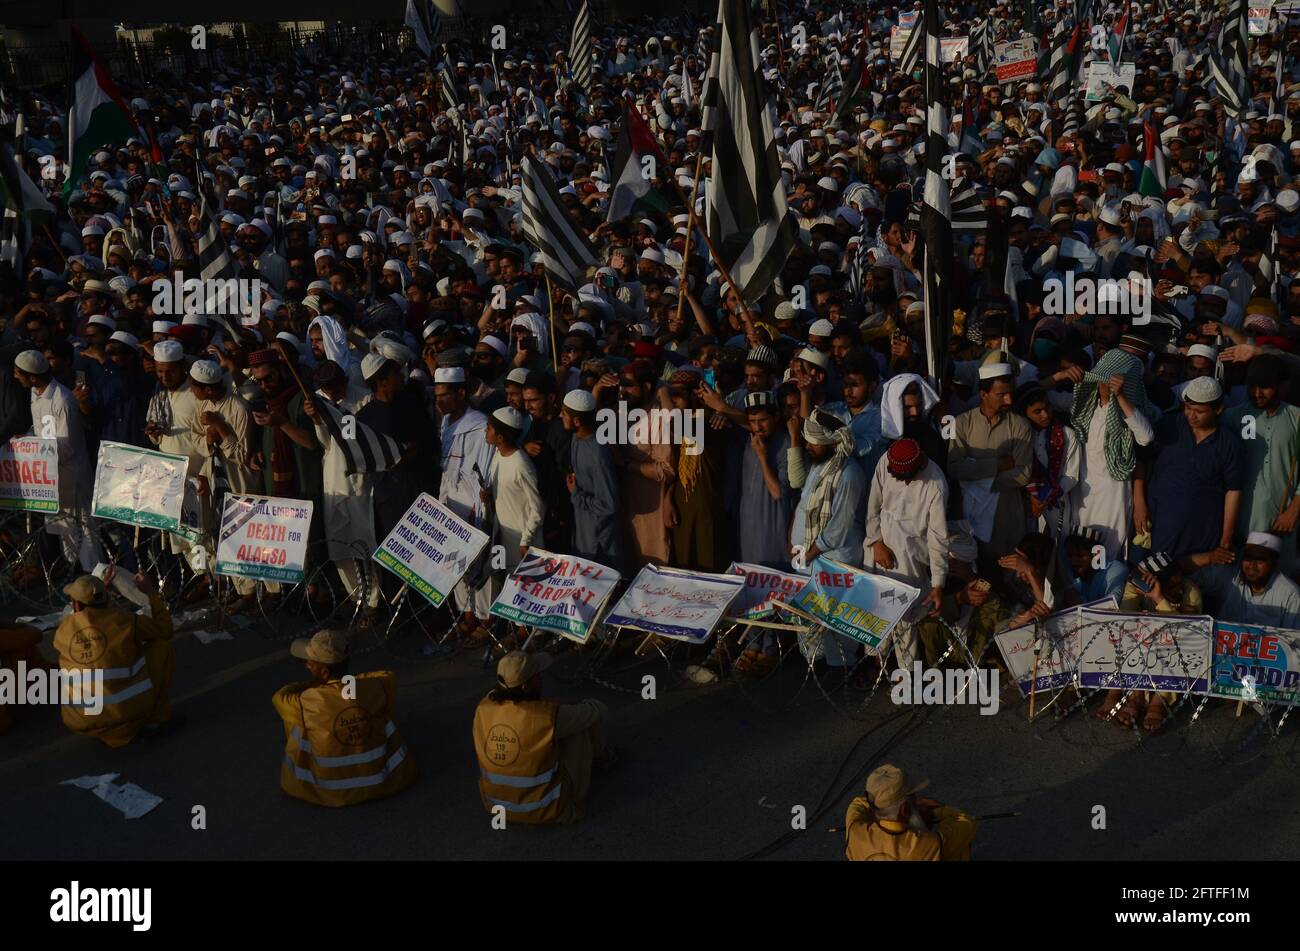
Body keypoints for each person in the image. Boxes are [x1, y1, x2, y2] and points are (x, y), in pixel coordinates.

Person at [273, 629, 418, 807]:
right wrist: (349, 683)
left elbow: (280, 696)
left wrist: (317, 685)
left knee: (296, 721)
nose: (307, 666)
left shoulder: (307, 700)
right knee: (379, 710)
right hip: (384, 781)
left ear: (325, 672)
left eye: (310, 663)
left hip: (328, 790)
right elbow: (388, 676)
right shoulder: (373, 687)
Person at [472, 650, 611, 824]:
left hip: (495, 805)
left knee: (552, 734)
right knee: (579, 729)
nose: (541, 678)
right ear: (526, 686)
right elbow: (598, 711)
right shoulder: (547, 717)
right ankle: (605, 759)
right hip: (548, 809)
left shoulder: (483, 709)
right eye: (537, 675)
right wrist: (566, 709)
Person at [52, 571, 176, 747]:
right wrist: (150, 593)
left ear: (75, 605)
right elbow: (165, 630)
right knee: (161, 648)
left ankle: (109, 731)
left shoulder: (63, 630)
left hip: (83, 721)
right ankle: (156, 721)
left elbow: (84, 618)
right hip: (127, 713)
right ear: (108, 600)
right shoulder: (125, 621)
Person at [14, 349, 102, 572]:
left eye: (18, 373)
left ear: (33, 377)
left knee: (86, 535)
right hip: (52, 479)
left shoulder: (62, 399)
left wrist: (35, 453)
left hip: (72, 475)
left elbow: (68, 446)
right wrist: (26, 440)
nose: (15, 377)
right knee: (66, 536)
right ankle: (77, 584)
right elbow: (41, 430)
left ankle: (96, 584)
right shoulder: (35, 394)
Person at [864, 438, 948, 669]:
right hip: (877, 553)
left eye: (907, 476)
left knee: (904, 622)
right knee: (873, 616)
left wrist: (939, 583)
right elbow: (873, 507)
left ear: (918, 466)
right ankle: (875, 669)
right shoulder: (886, 461)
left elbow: (938, 538)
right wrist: (876, 542)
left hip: (909, 561)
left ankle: (907, 678)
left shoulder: (935, 484)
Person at [1142, 377, 1244, 559]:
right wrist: (1139, 503)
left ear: (1218, 410)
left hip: (1202, 537)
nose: (1191, 415)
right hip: (1159, 526)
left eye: (1199, 411)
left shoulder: (1229, 444)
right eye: (1188, 408)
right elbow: (1142, 462)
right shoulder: (1169, 426)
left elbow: (1233, 491)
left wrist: (1226, 539)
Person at [948, 360, 1033, 574]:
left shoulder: (1020, 425)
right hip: (968, 516)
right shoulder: (961, 423)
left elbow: (1023, 473)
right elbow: (954, 468)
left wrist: (976, 477)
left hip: (1006, 515)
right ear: (984, 394)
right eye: (1001, 394)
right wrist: (998, 465)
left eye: (1010, 393)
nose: (1009, 399)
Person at [844, 764, 978, 861]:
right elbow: (966, 821)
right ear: (905, 810)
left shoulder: (855, 831)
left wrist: (887, 803)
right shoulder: (928, 843)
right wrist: (936, 812)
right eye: (913, 796)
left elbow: (859, 803)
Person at [1183, 532, 1300, 629]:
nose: (1252, 566)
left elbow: (1293, 643)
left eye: (1260, 560)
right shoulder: (1229, 577)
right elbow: (1183, 571)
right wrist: (1209, 557)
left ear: (1274, 564)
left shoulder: (1291, 594)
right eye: (1248, 558)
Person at [562, 388, 622, 569]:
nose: (561, 416)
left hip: (598, 543)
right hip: (582, 534)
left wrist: (576, 495)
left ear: (577, 421)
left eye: (564, 414)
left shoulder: (598, 455)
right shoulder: (576, 438)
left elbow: (609, 505)